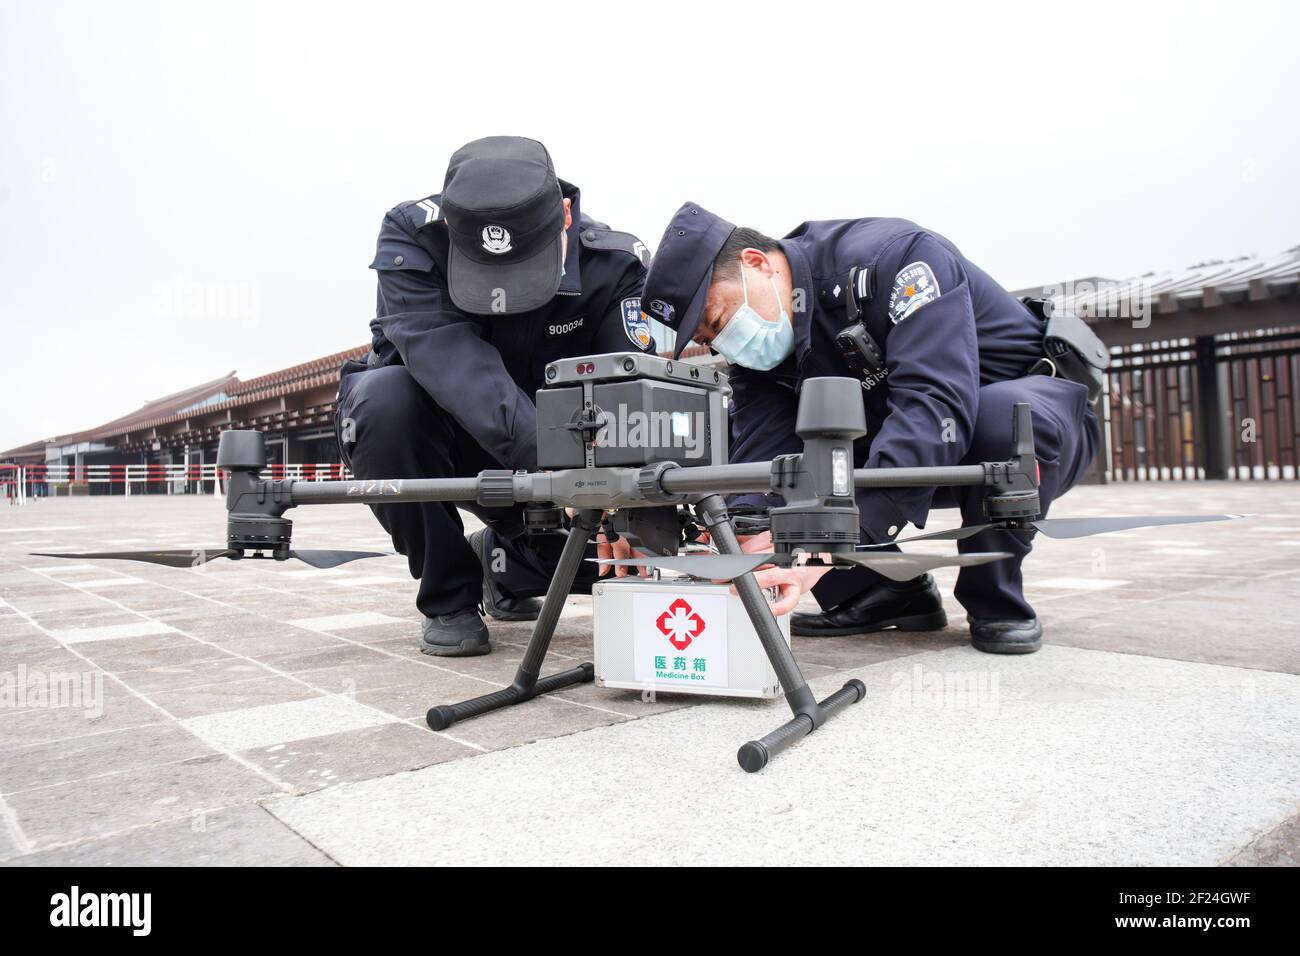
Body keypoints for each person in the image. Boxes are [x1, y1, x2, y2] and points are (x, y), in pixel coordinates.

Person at [640, 203, 1101, 654]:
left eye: (719, 320)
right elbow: (763, 449)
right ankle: (882, 591)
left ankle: (995, 597)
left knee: (1001, 413)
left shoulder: (897, 260)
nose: (723, 342)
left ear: (756, 263)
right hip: (899, 437)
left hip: (1027, 427)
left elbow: (934, 406)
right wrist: (745, 530)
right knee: (806, 462)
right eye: (707, 339)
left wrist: (827, 546)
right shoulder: (762, 351)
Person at [336, 136, 653, 657]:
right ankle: (448, 593)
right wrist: (560, 475)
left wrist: (617, 501)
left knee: (606, 563)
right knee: (383, 399)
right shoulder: (412, 236)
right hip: (442, 443)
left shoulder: (614, 265)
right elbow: (452, 362)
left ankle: (500, 562)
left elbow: (626, 391)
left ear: (566, 215)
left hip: (564, 452)